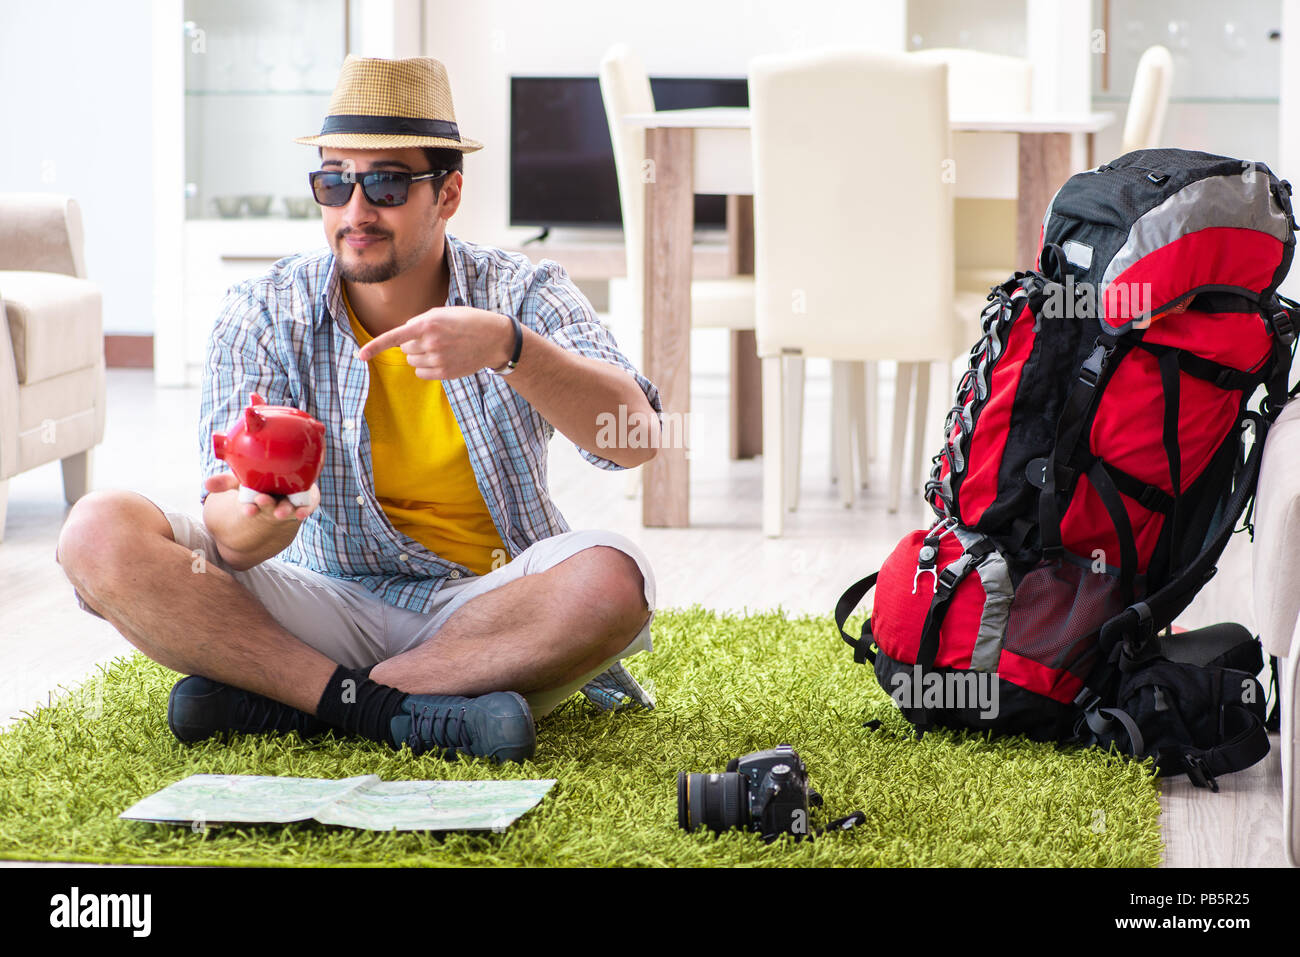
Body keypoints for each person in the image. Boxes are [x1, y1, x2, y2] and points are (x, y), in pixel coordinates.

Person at [55, 55, 663, 763]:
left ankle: (305, 699)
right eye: (334, 181)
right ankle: (409, 708)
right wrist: (259, 516)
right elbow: (228, 538)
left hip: (492, 605)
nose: (355, 210)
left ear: (449, 193)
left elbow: (636, 436)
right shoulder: (266, 312)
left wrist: (511, 348)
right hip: (323, 601)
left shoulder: (519, 294)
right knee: (96, 532)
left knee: (617, 574)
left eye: (386, 182)